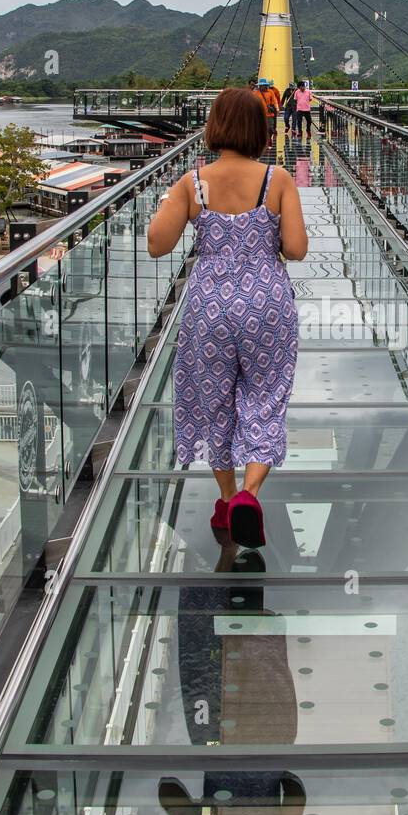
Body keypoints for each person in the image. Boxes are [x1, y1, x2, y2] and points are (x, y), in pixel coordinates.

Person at [147, 87, 308, 547]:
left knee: (214, 399)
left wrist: (172, 203)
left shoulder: (192, 182)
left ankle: (225, 496)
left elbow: (157, 244)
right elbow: (295, 249)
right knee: (265, 395)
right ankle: (250, 495)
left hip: (209, 306)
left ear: (215, 126)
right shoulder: (277, 180)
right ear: (260, 130)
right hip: (266, 305)